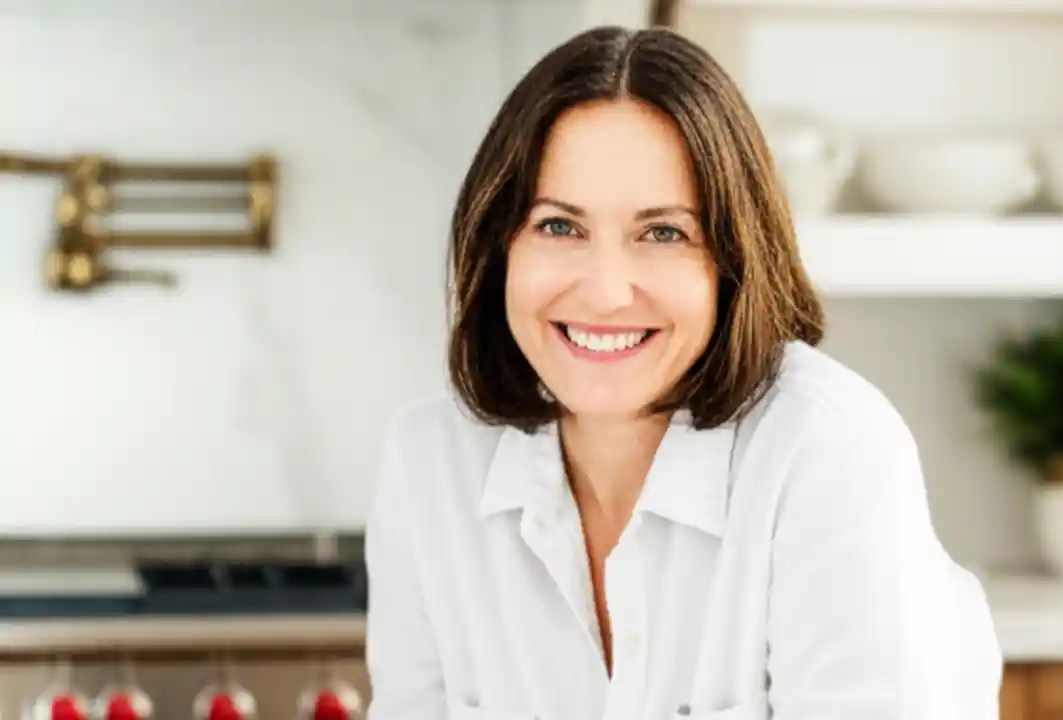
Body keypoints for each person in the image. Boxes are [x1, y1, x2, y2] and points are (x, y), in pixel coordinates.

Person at [364, 25, 1002, 720]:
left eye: (663, 233)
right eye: (558, 226)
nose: (606, 290)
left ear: (731, 259)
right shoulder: (429, 463)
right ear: (499, 247)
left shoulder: (827, 454)